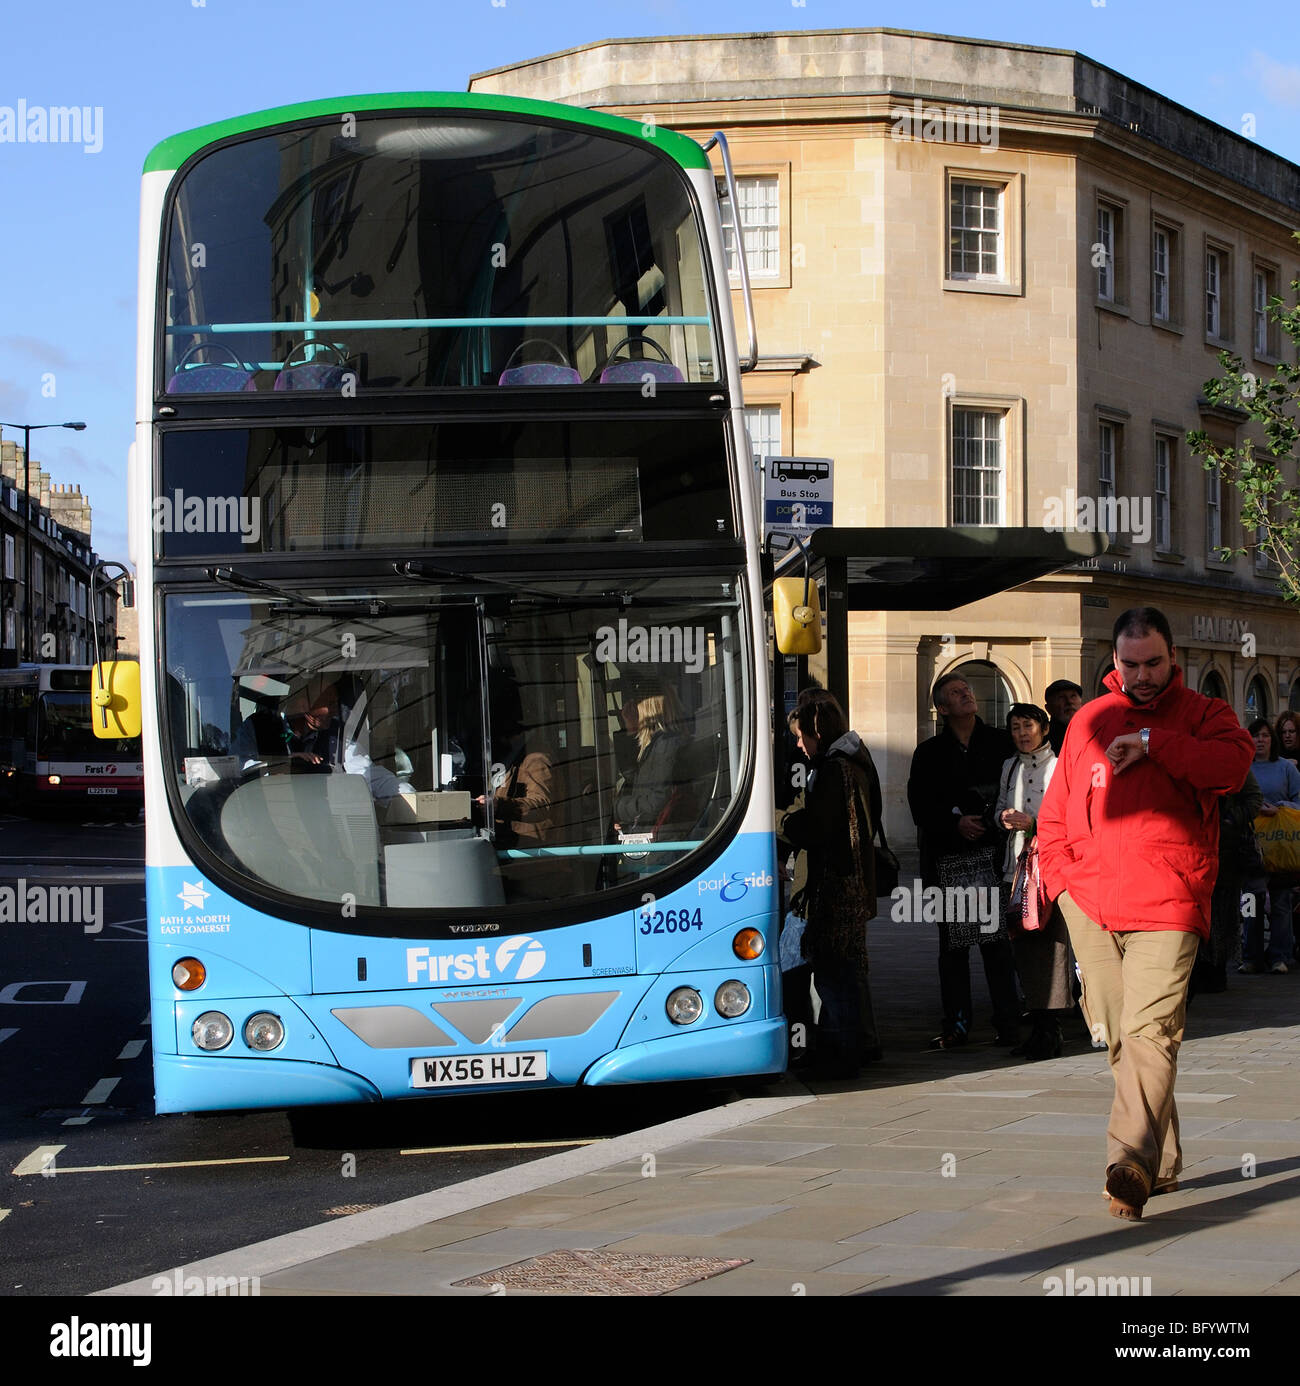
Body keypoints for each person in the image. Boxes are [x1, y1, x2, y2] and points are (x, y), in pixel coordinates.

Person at [1037, 606, 1253, 1220]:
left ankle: (1129, 1162)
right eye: (1129, 664)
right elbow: (1055, 812)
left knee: (1149, 1033)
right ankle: (1164, 1159)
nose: (1142, 675)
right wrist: (1061, 883)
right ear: (1114, 659)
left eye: (1153, 662)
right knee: (1116, 1035)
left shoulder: (1206, 715)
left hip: (1168, 901)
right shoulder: (1088, 721)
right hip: (1091, 902)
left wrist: (1158, 744)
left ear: (1172, 656)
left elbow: (1232, 769)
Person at [907, 673, 1019, 1049]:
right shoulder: (929, 753)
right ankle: (956, 1024)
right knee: (954, 948)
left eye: (967, 689)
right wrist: (954, 823)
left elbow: (1014, 792)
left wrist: (986, 821)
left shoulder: (1001, 743)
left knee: (996, 944)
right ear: (943, 708)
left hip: (991, 858)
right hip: (948, 860)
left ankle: (1007, 1019)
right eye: (957, 693)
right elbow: (920, 806)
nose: (967, 694)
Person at [779, 690, 880, 1077]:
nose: (800, 745)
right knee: (835, 972)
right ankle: (842, 1047)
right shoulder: (851, 762)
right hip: (836, 887)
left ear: (818, 730)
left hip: (825, 890)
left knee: (821, 973)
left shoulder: (834, 769)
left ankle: (834, 1051)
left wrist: (780, 820)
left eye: (802, 736)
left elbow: (817, 829)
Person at [993, 702, 1071, 1059]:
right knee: (1022, 951)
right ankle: (1038, 1025)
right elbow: (998, 807)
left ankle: (1051, 1028)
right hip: (1016, 870)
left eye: (1028, 725)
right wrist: (1003, 818)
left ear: (1043, 728)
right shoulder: (1009, 766)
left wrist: (1035, 824)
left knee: (1051, 951)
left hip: (1048, 872)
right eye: (1015, 727)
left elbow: (1069, 821)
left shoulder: (1060, 767)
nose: (1022, 733)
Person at [1240, 718, 1300, 975]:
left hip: (1280, 845)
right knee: (1250, 901)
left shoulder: (1286, 768)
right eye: (1255, 736)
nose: (1260, 740)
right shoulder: (1242, 768)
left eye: (1265, 735)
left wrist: (1281, 808)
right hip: (1250, 848)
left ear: (1271, 740)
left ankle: (1280, 956)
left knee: (1281, 902)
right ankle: (1251, 956)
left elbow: (1298, 802)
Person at [614, 686, 690, 838]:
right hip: (655, 832)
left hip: (662, 836)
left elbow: (656, 801)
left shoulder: (665, 745)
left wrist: (618, 809)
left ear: (647, 711)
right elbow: (635, 780)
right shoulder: (657, 744)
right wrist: (630, 730)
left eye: (637, 707)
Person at [1044, 679, 1084, 755]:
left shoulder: (1092, 733)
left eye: (1073, 696)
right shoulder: (1042, 742)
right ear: (1048, 708)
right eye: (1061, 697)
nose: (1069, 702)